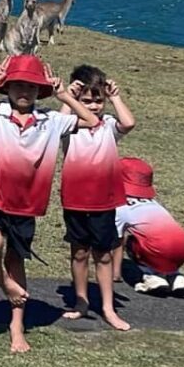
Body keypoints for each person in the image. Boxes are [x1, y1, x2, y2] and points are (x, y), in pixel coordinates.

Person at [0, 55, 99, 352]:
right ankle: (6, 284)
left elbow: (92, 121)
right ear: (7, 87)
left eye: (32, 87)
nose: (24, 91)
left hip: (26, 204)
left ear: (40, 91)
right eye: (18, 85)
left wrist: (64, 95)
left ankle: (17, 326)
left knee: (16, 260)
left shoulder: (52, 119)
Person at [56, 65, 136, 331]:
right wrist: (67, 97)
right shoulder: (69, 125)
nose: (93, 106)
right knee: (79, 253)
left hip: (103, 201)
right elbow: (56, 126)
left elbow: (129, 123)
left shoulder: (109, 125)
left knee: (103, 255)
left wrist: (115, 97)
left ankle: (108, 308)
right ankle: (81, 302)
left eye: (98, 101)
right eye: (87, 101)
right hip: (75, 199)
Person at [115, 157, 184, 295]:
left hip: (158, 247)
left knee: (132, 243)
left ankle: (151, 276)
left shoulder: (120, 206)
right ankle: (175, 276)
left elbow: (117, 242)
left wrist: (116, 273)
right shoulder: (153, 203)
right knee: (160, 245)